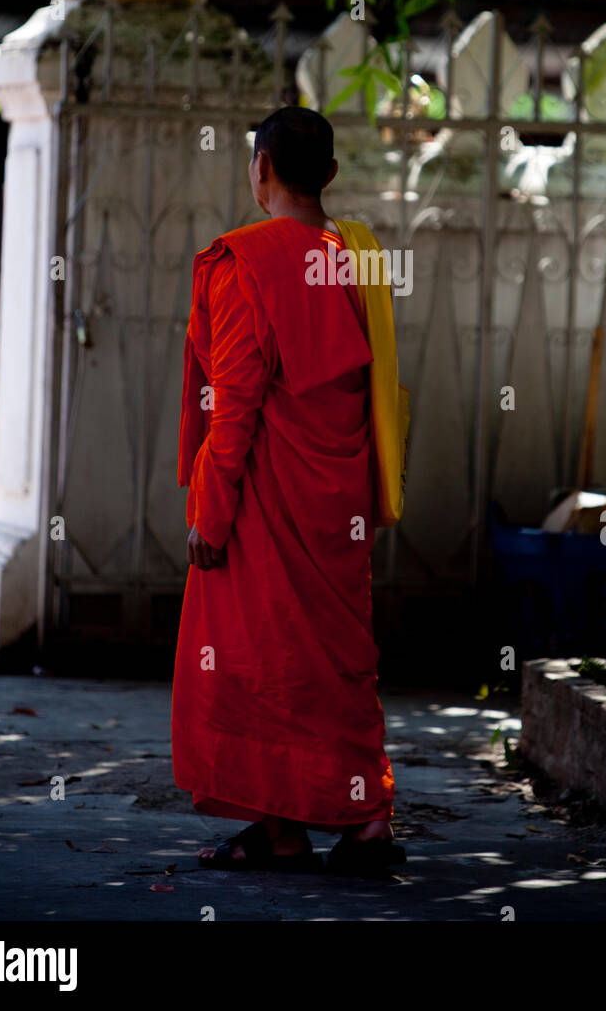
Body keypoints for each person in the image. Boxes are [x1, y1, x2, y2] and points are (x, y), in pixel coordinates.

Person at [172, 105, 408, 874]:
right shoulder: (356, 258)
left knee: (261, 665)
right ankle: (321, 824)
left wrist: (210, 509)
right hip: (335, 504)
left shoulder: (248, 261)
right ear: (330, 176)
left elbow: (232, 402)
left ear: (260, 170)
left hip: (265, 506)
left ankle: (303, 823)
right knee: (333, 667)